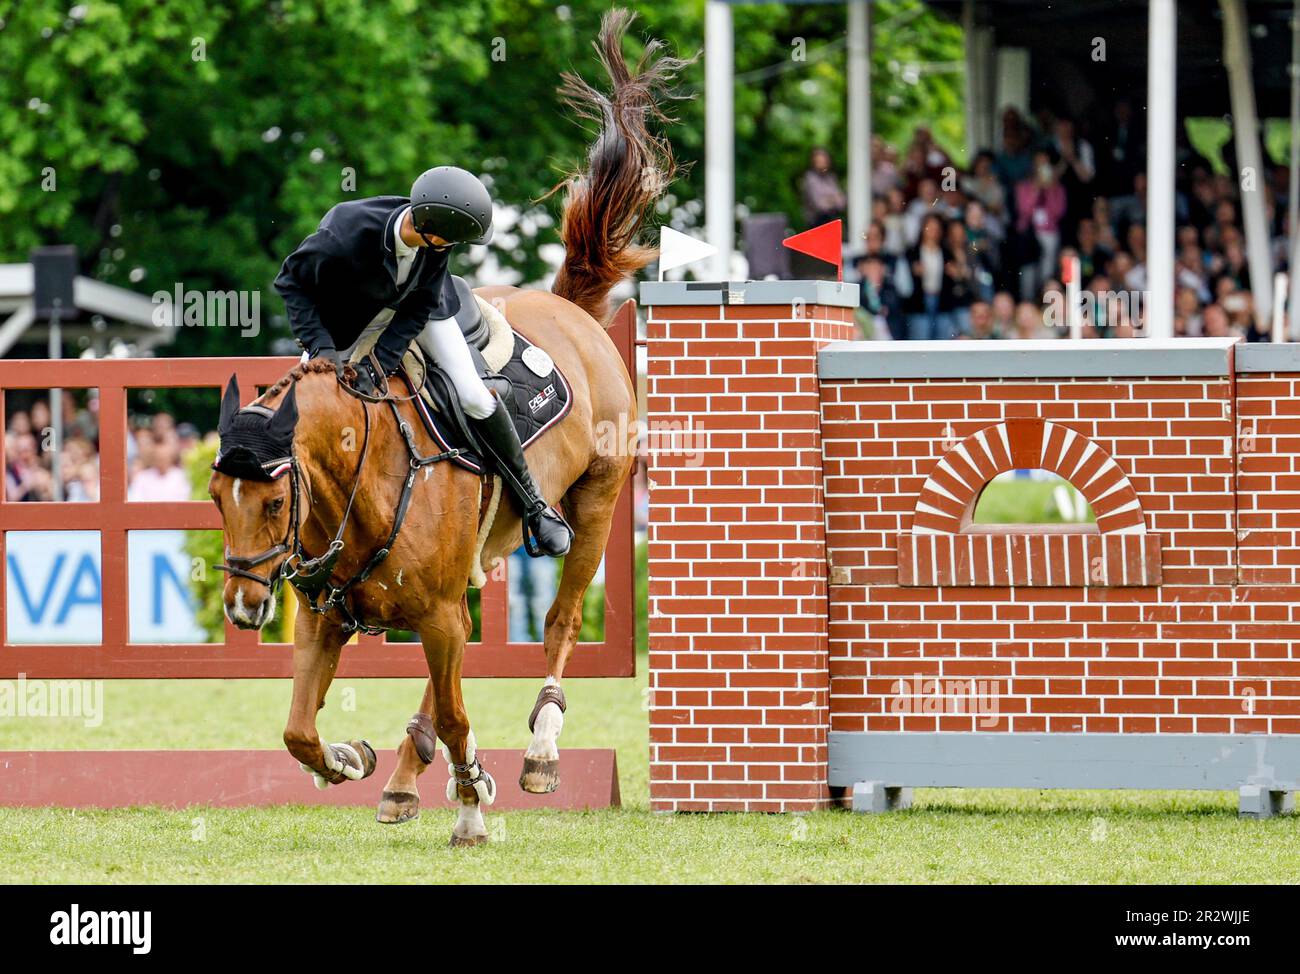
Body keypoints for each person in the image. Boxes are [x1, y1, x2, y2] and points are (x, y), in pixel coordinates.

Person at [274, 166, 573, 557]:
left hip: (418, 312)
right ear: (430, 230)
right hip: (344, 322)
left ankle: (534, 504)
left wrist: (379, 364)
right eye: (452, 241)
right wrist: (325, 352)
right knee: (303, 409)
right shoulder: (345, 233)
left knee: (475, 396)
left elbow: (418, 309)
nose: (454, 247)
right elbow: (291, 284)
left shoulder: (435, 243)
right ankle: (287, 541)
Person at [799, 147, 846, 228]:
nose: (822, 163)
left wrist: (828, 199)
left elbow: (842, 202)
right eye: (819, 161)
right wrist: (833, 198)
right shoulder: (810, 179)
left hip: (832, 221)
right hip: (816, 223)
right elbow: (819, 205)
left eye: (824, 160)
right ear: (813, 162)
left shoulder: (831, 178)